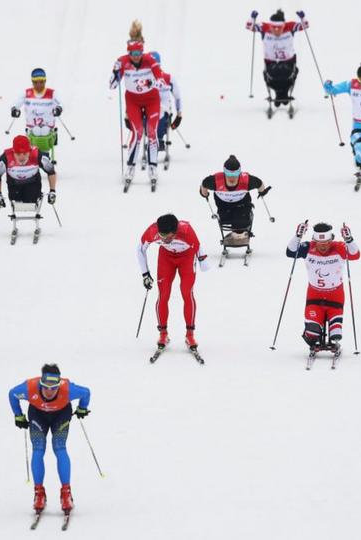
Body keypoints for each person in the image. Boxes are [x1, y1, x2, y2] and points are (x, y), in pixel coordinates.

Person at [8, 364, 91, 515]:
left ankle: (66, 493)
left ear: (59, 385)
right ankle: (39, 492)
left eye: (54, 388)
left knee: (59, 448)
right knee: (38, 450)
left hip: (61, 415)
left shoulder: (68, 390)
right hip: (38, 415)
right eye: (46, 387)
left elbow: (86, 393)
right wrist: (18, 415)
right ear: (40, 383)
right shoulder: (29, 387)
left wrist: (82, 408)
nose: (50, 391)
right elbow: (12, 394)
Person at [137, 214, 209, 347]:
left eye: (168, 237)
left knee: (187, 293)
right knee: (163, 295)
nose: (164, 240)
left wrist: (203, 264)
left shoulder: (186, 231)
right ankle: (163, 334)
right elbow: (140, 249)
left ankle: (190, 335)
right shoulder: (153, 231)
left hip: (186, 257)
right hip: (166, 258)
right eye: (162, 236)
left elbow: (198, 247)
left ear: (175, 232)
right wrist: (145, 274)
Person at [286, 222, 360, 351]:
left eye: (326, 243)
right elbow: (290, 252)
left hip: (335, 295)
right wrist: (298, 236)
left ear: (331, 240)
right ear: (315, 241)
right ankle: (313, 337)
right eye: (320, 244)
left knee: (336, 333)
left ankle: (333, 337)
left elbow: (355, 255)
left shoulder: (339, 247)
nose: (323, 246)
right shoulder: (308, 247)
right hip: (314, 295)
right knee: (312, 334)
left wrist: (349, 239)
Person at [109, 20, 165, 184]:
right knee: (138, 131)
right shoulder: (122, 61)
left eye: (138, 54)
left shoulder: (149, 60)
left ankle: (153, 167)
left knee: (152, 131)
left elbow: (160, 79)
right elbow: (112, 85)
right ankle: (130, 167)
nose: (136, 57)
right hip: (133, 100)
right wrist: (115, 72)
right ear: (128, 53)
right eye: (133, 54)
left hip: (151, 100)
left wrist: (154, 82)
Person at [199, 155, 271, 245]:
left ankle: (240, 234)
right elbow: (204, 184)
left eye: (235, 174)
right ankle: (236, 233)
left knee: (241, 220)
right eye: (229, 174)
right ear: (224, 172)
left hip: (242, 205)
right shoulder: (215, 180)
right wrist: (204, 193)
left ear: (239, 172)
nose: (232, 177)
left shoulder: (246, 180)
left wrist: (262, 192)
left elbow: (259, 184)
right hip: (224, 207)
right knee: (224, 219)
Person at [246, 9, 308, 106]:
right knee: (275, 74)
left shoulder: (290, 26)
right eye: (273, 27)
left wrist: (302, 17)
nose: (276, 30)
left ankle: (283, 94)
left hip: (288, 65)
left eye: (279, 27)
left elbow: (305, 25)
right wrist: (252, 18)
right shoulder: (264, 27)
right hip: (271, 66)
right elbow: (249, 27)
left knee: (285, 72)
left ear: (284, 25)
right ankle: (281, 94)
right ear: (270, 25)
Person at [11, 68, 62, 162]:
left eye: (41, 82)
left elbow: (61, 103)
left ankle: (45, 157)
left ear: (45, 81)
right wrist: (15, 109)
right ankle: (34, 157)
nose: (39, 85)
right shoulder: (27, 93)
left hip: (47, 125)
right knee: (36, 133)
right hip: (32, 125)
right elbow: (17, 103)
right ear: (32, 82)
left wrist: (59, 109)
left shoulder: (51, 93)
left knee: (44, 132)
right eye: (35, 82)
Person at [0, 135, 57, 207]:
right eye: (18, 154)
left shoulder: (36, 154)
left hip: (32, 183)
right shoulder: (6, 157)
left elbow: (51, 171)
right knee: (16, 201)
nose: (22, 157)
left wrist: (52, 191)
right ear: (13, 151)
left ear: (29, 151)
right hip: (14, 184)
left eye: (25, 153)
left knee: (31, 200)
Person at [149, 52, 182, 152]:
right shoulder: (143, 79)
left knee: (160, 111)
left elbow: (178, 97)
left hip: (164, 110)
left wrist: (179, 115)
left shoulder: (168, 78)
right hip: (147, 109)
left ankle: (159, 139)